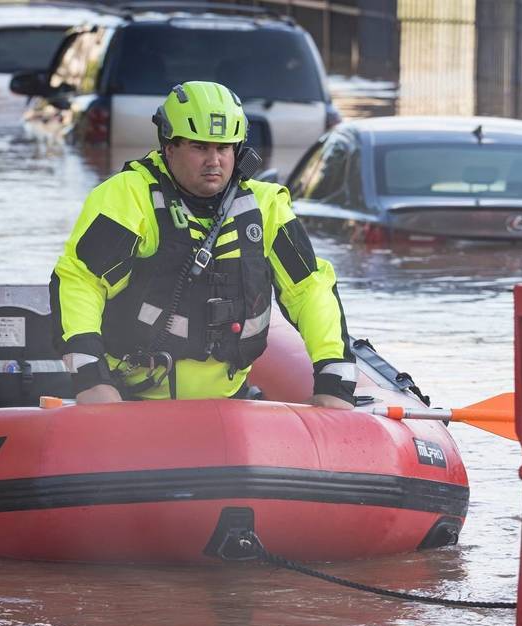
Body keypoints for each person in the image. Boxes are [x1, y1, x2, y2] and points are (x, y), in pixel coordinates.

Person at [49, 81, 356, 408]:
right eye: (199, 147)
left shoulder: (266, 206)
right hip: (133, 400)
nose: (214, 161)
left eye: (223, 149)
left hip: (230, 404)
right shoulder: (128, 196)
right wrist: (92, 380)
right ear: (169, 147)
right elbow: (81, 281)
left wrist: (334, 381)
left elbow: (308, 289)